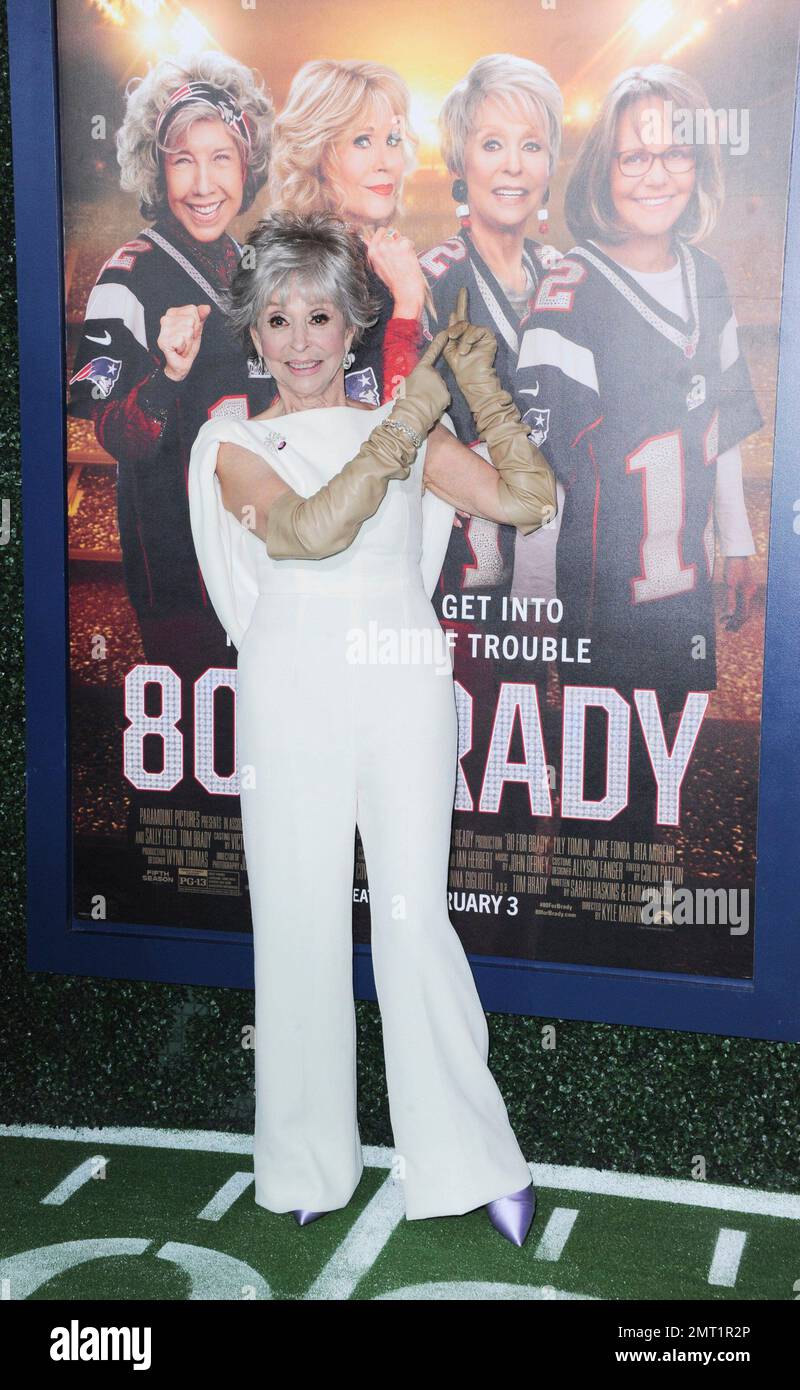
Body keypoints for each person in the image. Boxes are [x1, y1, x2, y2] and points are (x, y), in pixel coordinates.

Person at [187, 211, 557, 1244]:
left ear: (355, 323)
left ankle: (468, 1159)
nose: (300, 338)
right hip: (288, 695)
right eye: (276, 317)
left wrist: (475, 383)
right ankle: (306, 1160)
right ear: (251, 334)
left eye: (320, 313)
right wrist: (408, 424)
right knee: (299, 923)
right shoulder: (232, 441)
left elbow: (530, 503)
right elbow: (306, 533)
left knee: (408, 918)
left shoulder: (412, 425)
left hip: (400, 691)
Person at [514, 65, 762, 840]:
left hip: (680, 597)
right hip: (600, 606)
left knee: (663, 808)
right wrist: (531, 603)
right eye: (633, 157)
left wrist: (741, 542)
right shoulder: (570, 286)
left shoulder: (710, 278)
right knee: (601, 812)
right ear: (603, 170)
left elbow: (718, 426)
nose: (656, 175)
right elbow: (539, 475)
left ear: (701, 164)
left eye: (674, 154)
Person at [67, 51, 275, 674]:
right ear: (157, 170)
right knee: (199, 745)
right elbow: (109, 433)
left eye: (221, 158)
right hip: (177, 563)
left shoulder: (259, 267)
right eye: (184, 160)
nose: (204, 184)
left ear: (248, 164)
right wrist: (167, 380)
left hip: (265, 552)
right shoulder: (125, 277)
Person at [268, 59, 430, 405]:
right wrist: (407, 306)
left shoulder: (384, 256)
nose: (384, 161)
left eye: (392, 139)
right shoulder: (299, 273)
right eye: (361, 141)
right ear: (318, 153)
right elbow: (392, 431)